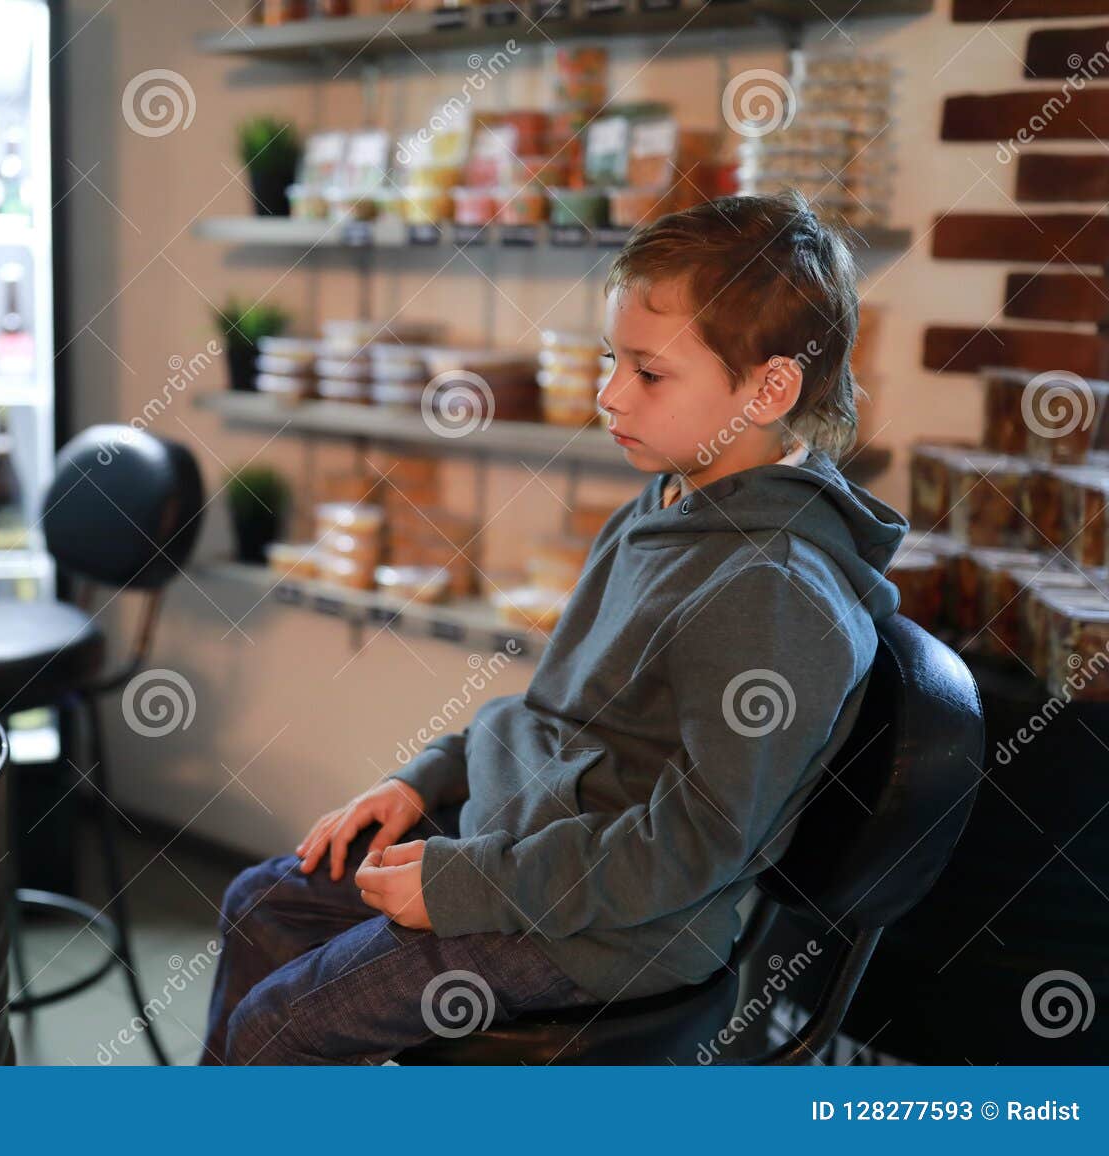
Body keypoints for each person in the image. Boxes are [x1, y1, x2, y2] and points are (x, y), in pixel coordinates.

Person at [201, 190, 909, 1065]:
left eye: (648, 374)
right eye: (613, 358)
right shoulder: (668, 504)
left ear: (769, 388)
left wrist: (465, 883)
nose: (608, 394)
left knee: (279, 1026)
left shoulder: (774, 596)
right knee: (261, 906)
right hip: (524, 849)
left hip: (605, 926)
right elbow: (554, 716)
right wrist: (428, 781)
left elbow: (687, 852)